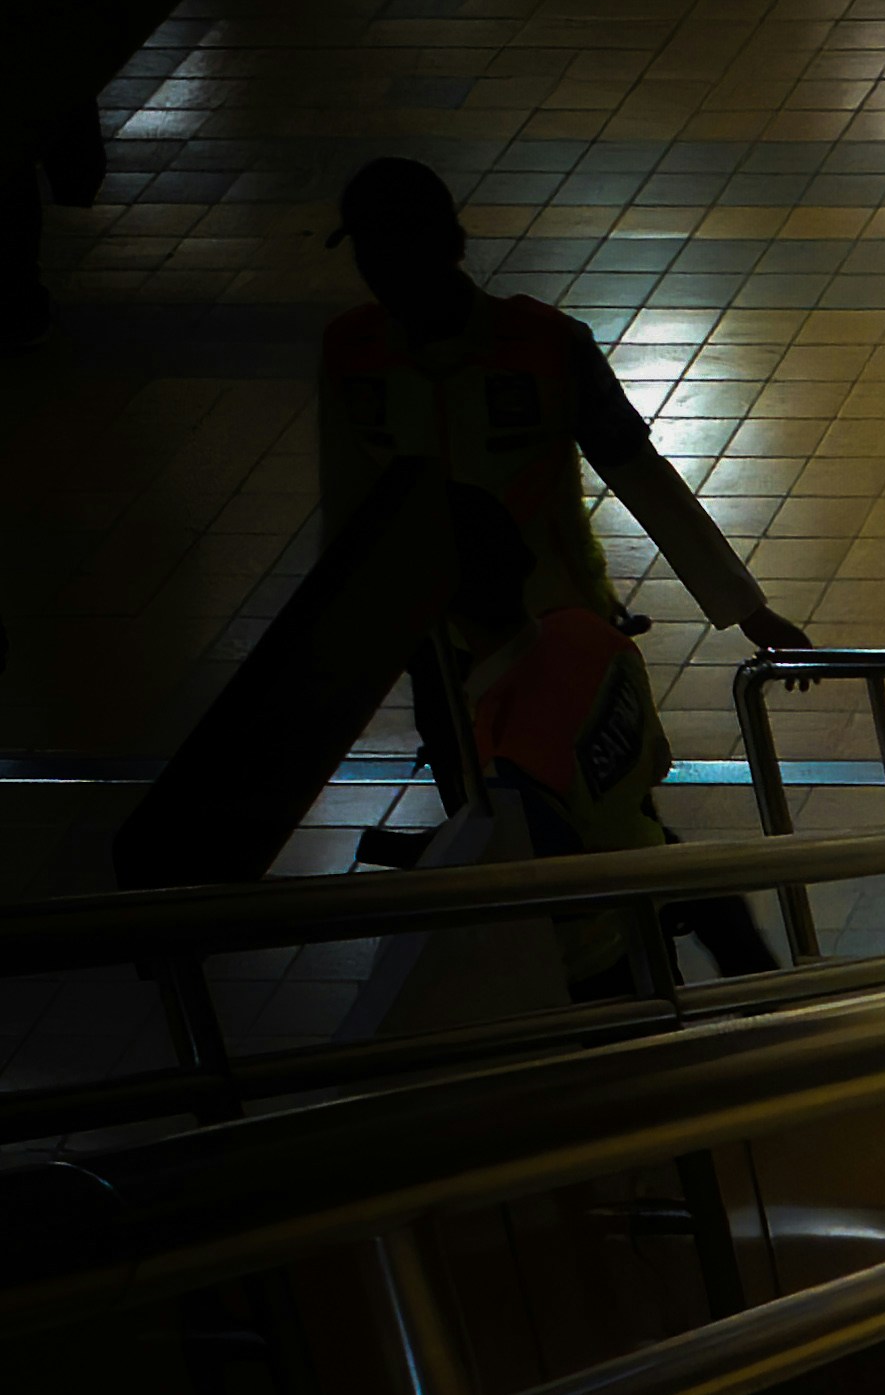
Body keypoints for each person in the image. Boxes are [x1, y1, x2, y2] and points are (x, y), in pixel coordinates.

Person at [292, 153, 805, 953]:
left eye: (395, 248)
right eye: (368, 251)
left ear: (450, 244)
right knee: (514, 829)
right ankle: (666, 956)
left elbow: (637, 468)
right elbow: (349, 505)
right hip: (441, 653)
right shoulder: (351, 354)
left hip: (563, 635)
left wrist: (743, 607)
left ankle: (675, 957)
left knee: (592, 820)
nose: (380, 273)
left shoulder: (544, 346)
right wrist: (342, 649)